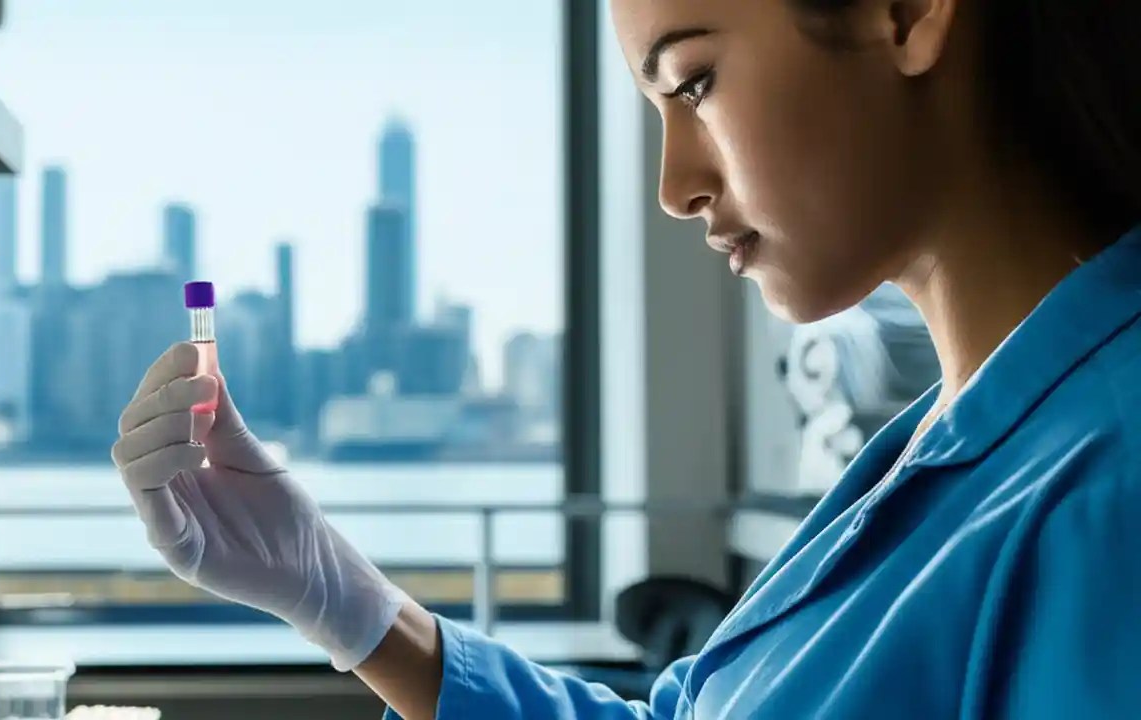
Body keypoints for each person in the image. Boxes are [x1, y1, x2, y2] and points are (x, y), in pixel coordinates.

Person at [111, 0, 1141, 716]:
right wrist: (345, 602)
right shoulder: (942, 448)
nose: (673, 185)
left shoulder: (1109, 497)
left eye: (691, 83)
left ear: (906, 11)